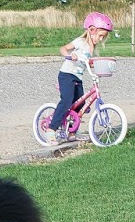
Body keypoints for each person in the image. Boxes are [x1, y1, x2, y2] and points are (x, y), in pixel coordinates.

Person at [47, 11, 114, 140]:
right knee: (67, 101)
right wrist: (70, 55)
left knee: (80, 104)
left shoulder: (91, 48)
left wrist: (97, 64)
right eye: (100, 36)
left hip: (77, 77)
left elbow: (87, 62)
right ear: (91, 30)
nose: (100, 39)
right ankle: (51, 129)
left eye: (103, 37)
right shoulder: (80, 42)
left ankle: (72, 132)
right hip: (67, 75)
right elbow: (63, 48)